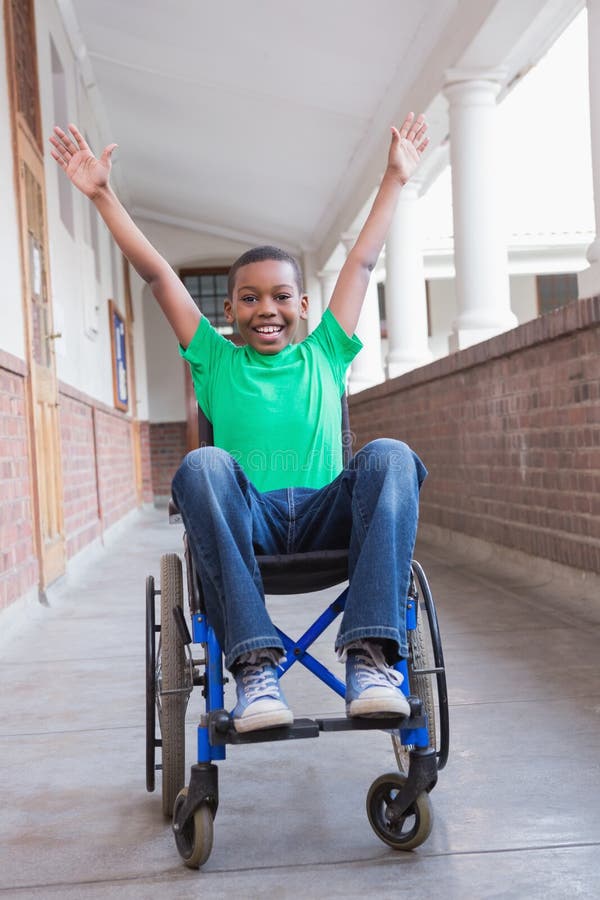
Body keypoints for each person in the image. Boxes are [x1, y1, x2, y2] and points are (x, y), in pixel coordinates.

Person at [50, 113, 429, 734]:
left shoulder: (325, 352)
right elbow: (156, 274)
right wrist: (100, 195)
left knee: (389, 454)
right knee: (203, 463)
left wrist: (393, 178)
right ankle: (254, 667)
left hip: (322, 519)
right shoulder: (215, 361)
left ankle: (370, 657)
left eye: (281, 296)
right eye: (249, 298)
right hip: (246, 523)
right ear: (228, 310)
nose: (266, 309)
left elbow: (359, 265)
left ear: (304, 306)